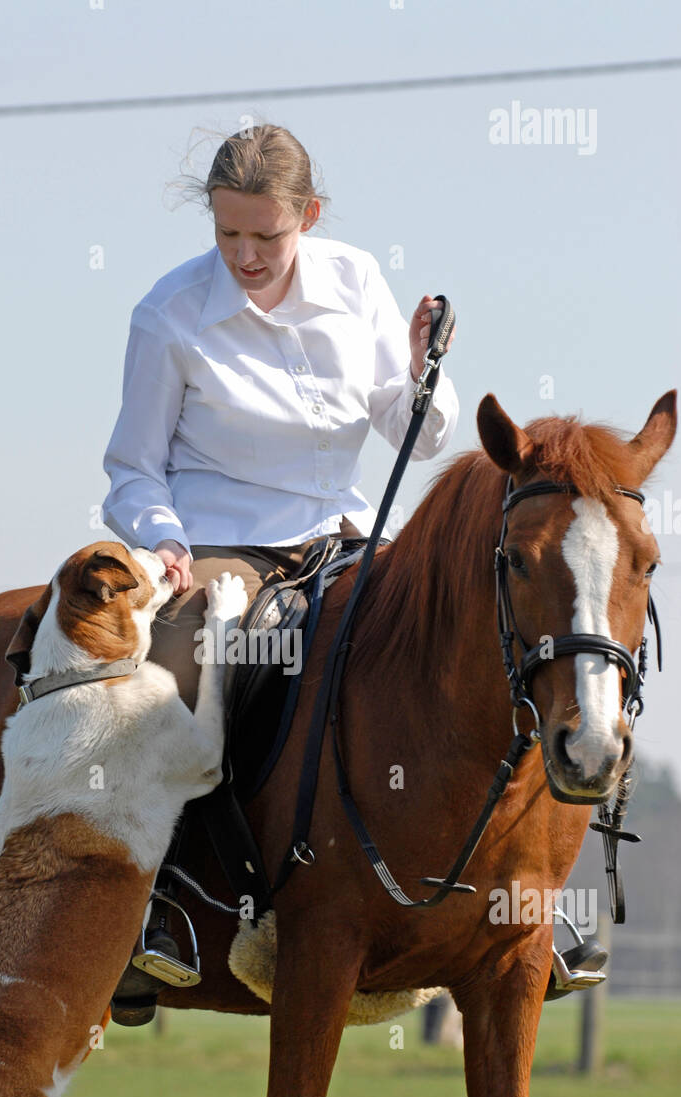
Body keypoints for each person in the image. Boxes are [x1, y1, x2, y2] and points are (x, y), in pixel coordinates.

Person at [102, 122, 459, 714]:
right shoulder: (167, 314)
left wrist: (424, 372)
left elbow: (416, 440)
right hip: (223, 550)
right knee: (183, 681)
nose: (245, 256)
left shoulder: (358, 278)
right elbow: (132, 468)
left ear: (309, 214)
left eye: (266, 236)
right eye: (227, 233)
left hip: (351, 540)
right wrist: (163, 539)